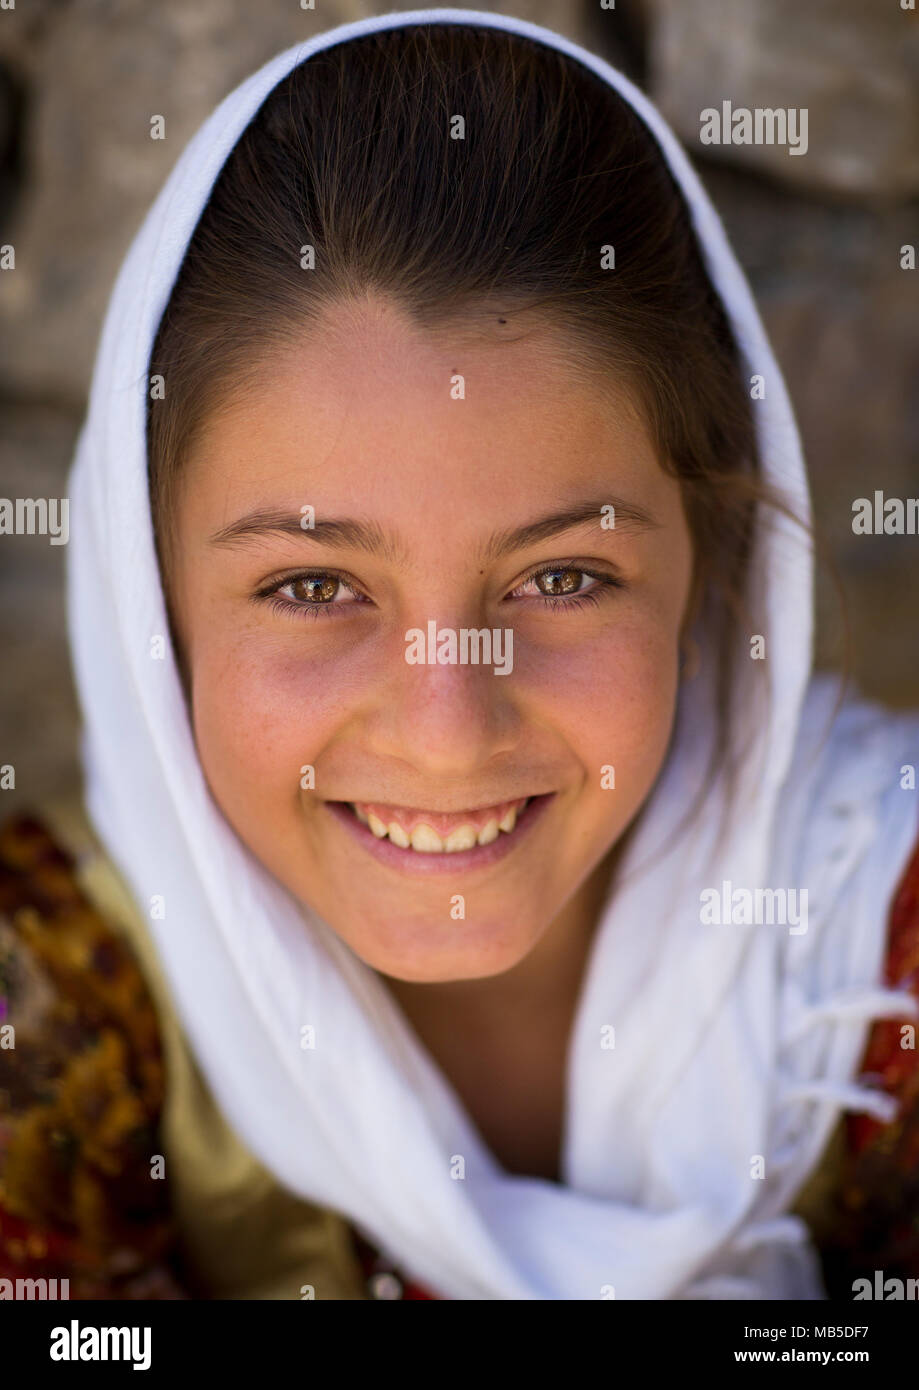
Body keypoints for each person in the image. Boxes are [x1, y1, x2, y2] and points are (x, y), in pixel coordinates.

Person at [2, 8, 918, 1302]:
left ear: (711, 572)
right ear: (150, 600)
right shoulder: (44, 1004)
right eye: (314, 584)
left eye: (561, 576)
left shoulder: (880, 941)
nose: (445, 725)